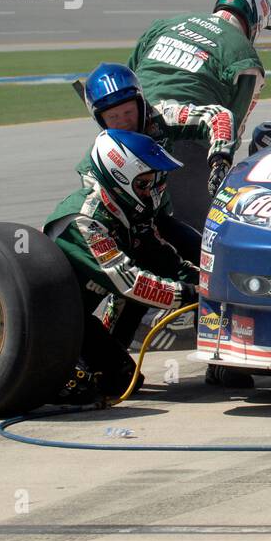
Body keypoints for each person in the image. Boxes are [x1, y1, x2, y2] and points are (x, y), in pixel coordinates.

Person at [44, 129, 199, 402]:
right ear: (120, 178)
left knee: (120, 379)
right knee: (106, 386)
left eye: (157, 183)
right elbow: (129, 282)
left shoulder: (127, 215)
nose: (153, 191)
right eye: (145, 183)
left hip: (76, 319)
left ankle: (106, 353)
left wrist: (210, 284)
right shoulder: (83, 219)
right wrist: (189, 294)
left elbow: (164, 260)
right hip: (42, 324)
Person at [127, 0, 271, 225]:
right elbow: (233, 128)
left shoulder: (166, 24)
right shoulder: (246, 57)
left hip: (128, 128)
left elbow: (129, 76)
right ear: (254, 22)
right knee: (199, 231)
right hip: (187, 140)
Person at [76, 62, 236, 259]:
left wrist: (220, 159)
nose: (124, 122)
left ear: (141, 104)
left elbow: (218, 116)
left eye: (128, 112)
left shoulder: (159, 117)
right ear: (100, 120)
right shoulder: (93, 167)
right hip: (126, 234)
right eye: (113, 116)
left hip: (160, 218)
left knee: (207, 256)